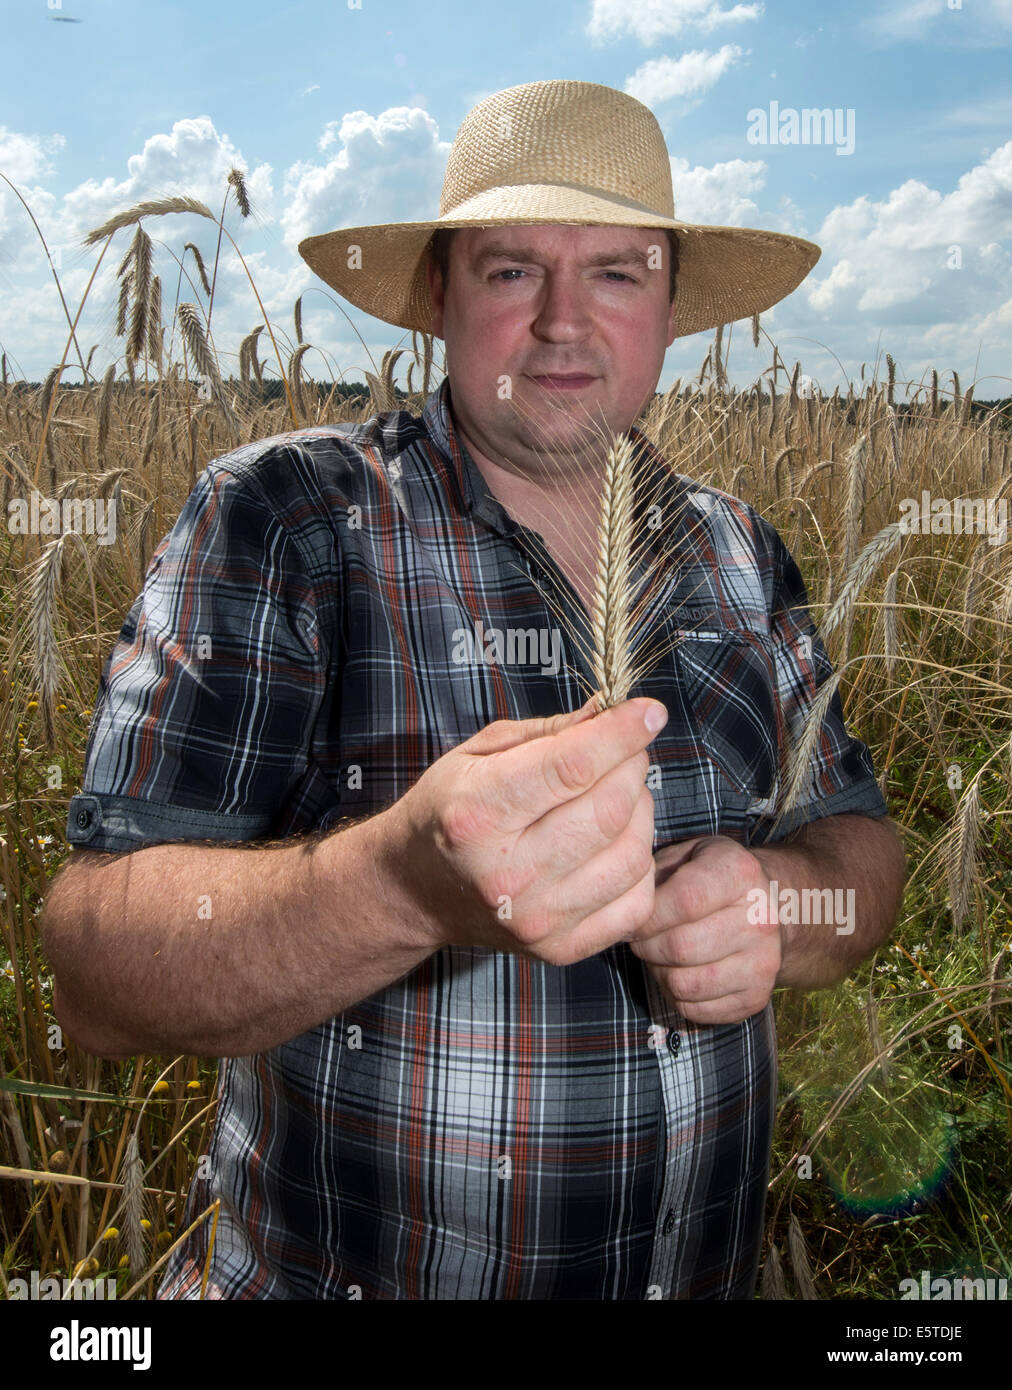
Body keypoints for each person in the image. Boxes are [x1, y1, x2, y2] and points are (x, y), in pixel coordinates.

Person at [41, 80, 906, 1300]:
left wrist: (782, 902)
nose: (563, 324)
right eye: (511, 272)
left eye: (616, 273)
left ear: (670, 310)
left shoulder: (737, 551)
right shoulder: (292, 516)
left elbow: (862, 855)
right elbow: (94, 974)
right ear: (441, 294)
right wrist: (398, 881)